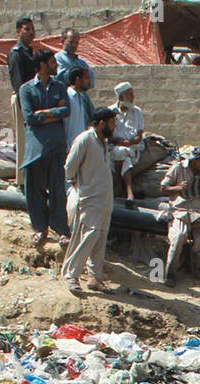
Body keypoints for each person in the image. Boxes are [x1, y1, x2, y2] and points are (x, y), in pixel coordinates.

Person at [62, 105, 116, 293]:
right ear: (102, 123)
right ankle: (71, 275)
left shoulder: (103, 142)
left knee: (100, 239)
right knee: (86, 238)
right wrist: (76, 184)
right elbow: (70, 166)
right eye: (112, 123)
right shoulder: (85, 139)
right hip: (89, 199)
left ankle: (95, 278)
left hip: (104, 200)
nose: (114, 126)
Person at [19, 49, 69, 246]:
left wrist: (44, 113)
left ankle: (61, 230)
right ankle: (40, 228)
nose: (56, 65)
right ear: (42, 65)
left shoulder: (60, 86)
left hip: (56, 145)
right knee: (35, 190)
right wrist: (52, 114)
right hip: (36, 149)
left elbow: (66, 111)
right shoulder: (27, 89)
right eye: (52, 62)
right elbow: (30, 117)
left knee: (58, 190)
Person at [159, 145, 200, 284]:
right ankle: (170, 273)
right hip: (179, 210)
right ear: (194, 159)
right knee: (179, 235)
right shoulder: (179, 168)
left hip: (198, 210)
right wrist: (177, 188)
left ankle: (195, 264)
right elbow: (163, 188)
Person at [7, 16, 38, 188]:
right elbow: (19, 84)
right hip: (22, 102)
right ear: (19, 31)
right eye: (27, 29)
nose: (31, 33)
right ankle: (22, 181)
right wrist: (25, 108)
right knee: (23, 141)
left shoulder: (29, 52)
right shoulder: (16, 54)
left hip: (30, 102)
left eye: (32, 29)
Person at [109, 82, 145, 203]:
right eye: (129, 95)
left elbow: (139, 136)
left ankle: (119, 185)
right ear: (120, 98)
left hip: (133, 148)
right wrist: (119, 141)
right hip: (115, 148)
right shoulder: (110, 112)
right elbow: (107, 136)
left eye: (132, 94)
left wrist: (130, 142)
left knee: (124, 152)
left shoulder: (137, 112)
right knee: (122, 152)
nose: (133, 97)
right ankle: (129, 191)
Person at [64, 66, 93, 142]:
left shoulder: (81, 97)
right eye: (86, 78)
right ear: (78, 80)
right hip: (69, 146)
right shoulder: (67, 96)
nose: (89, 81)